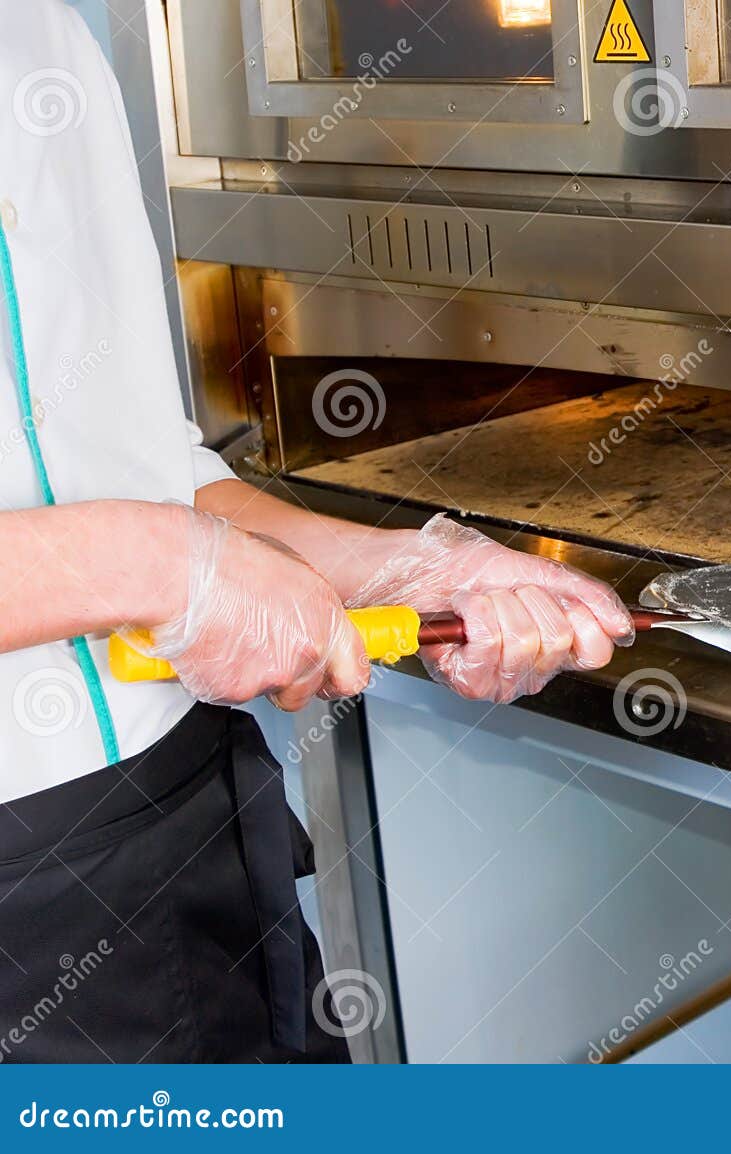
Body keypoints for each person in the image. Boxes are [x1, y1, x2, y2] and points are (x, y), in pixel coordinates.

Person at [0, 1, 633, 1062]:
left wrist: (403, 564)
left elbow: (135, 471)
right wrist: (163, 567)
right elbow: (144, 543)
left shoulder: (44, 36)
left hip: (185, 806)